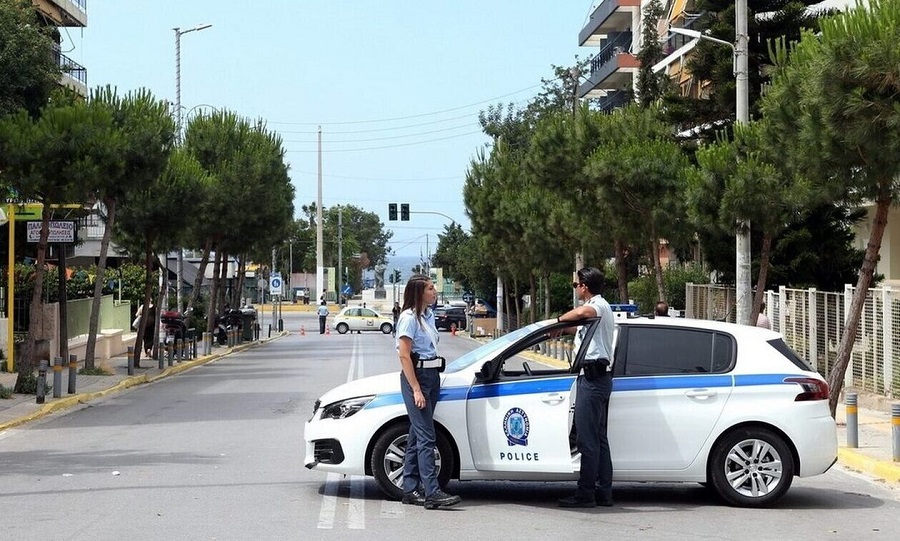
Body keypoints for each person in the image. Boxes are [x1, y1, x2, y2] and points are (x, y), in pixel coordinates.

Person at [395, 274, 461, 510]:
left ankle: (410, 488)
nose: (435, 292)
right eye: (431, 289)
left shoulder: (428, 315)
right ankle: (432, 492)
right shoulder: (409, 319)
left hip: (432, 375)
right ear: (419, 293)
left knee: (416, 434)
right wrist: (415, 389)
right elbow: (404, 355)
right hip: (418, 377)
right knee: (426, 436)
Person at [556, 267, 615, 508]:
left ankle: (586, 494)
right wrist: (559, 329)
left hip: (592, 380)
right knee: (599, 439)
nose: (576, 289)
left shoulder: (598, 305)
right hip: (598, 379)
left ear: (584, 286)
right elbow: (581, 326)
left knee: (587, 440)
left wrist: (558, 320)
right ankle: (603, 492)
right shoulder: (597, 313)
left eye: (576, 285)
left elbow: (583, 311)